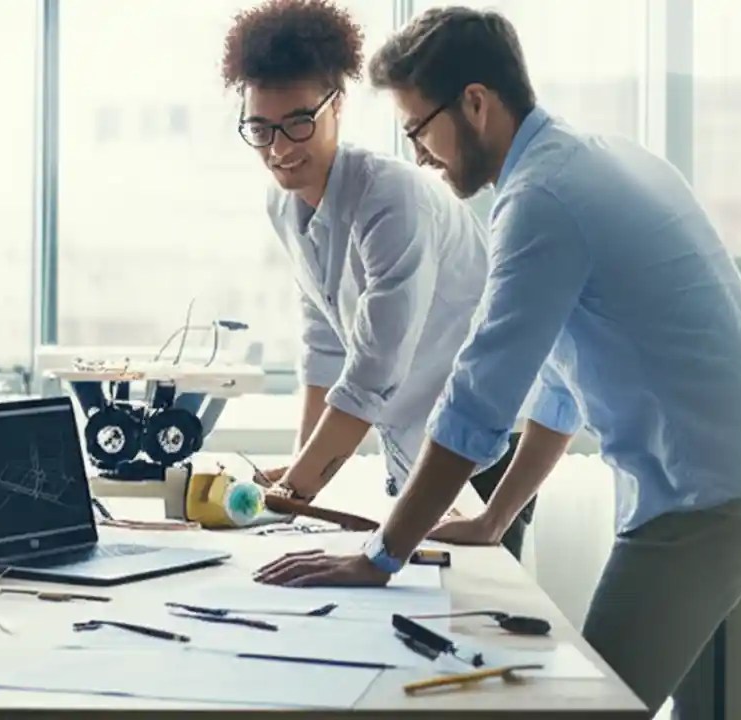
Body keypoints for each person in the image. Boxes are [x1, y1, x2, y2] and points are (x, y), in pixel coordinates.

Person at [255, 7, 741, 718]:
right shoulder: (595, 160)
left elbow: (477, 405)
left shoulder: (540, 201)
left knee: (587, 708)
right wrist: (494, 517)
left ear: (475, 103)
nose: (420, 155)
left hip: (699, 503)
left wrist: (380, 556)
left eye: (419, 128)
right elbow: (558, 389)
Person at [220, 0, 536, 558]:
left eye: (298, 122)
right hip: (417, 446)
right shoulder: (284, 204)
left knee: (476, 599)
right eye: (260, 128)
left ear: (337, 105)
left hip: (482, 446)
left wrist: (298, 489)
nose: (279, 148)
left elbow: (373, 368)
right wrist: (300, 476)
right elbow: (325, 346)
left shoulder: (391, 197)